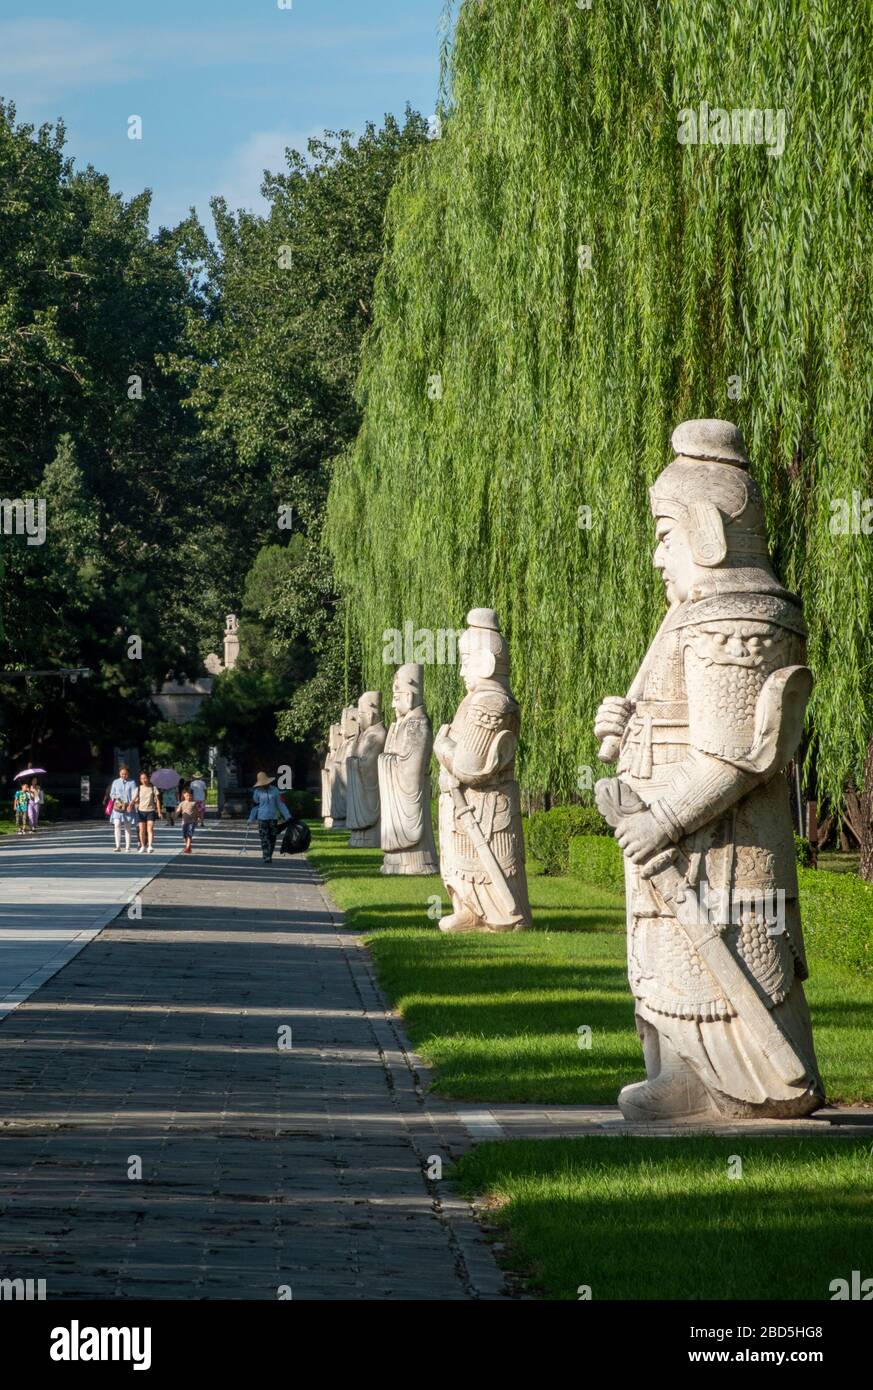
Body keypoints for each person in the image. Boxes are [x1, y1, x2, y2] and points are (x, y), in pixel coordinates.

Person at [247, 772, 291, 864]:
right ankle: (266, 856)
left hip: (273, 818)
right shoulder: (257, 792)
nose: (264, 785)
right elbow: (255, 806)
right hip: (262, 818)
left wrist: (287, 815)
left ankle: (269, 854)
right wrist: (251, 818)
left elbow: (280, 804)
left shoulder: (274, 790)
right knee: (264, 838)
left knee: (272, 838)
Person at [131, 771, 162, 853]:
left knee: (150, 829)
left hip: (151, 811)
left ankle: (150, 846)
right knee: (141, 830)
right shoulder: (138, 788)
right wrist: (131, 804)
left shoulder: (153, 788)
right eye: (141, 778)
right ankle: (142, 846)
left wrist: (159, 812)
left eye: (145, 778)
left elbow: (157, 801)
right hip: (141, 811)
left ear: (148, 778)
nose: (143, 780)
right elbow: (134, 800)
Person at [109, 765, 138, 852]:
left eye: (125, 774)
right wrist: (116, 798)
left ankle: (127, 846)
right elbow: (112, 793)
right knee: (117, 825)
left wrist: (131, 804)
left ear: (128, 774)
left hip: (128, 807)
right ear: (119, 773)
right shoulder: (115, 782)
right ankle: (118, 846)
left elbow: (135, 794)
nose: (123, 775)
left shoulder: (132, 782)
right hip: (118, 807)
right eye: (122, 774)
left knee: (127, 827)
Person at [178, 788, 197, 854]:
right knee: (184, 836)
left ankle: (187, 847)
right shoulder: (181, 803)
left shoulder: (194, 803)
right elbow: (178, 810)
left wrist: (198, 818)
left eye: (190, 796)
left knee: (189, 834)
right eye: (187, 796)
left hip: (192, 822)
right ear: (184, 795)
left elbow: (197, 811)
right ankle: (188, 846)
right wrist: (176, 814)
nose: (189, 797)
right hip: (184, 822)